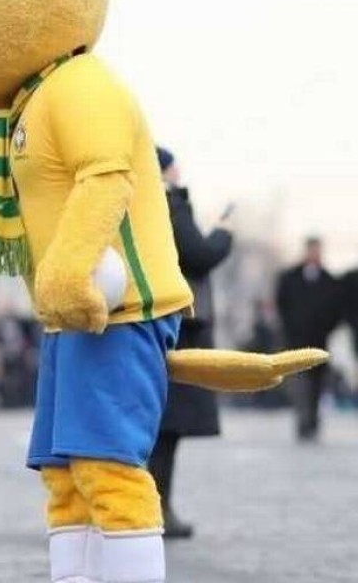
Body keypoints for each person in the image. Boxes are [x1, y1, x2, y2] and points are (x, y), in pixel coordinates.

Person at [148, 147, 234, 539]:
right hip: (182, 324)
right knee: (169, 425)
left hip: (155, 319)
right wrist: (224, 229)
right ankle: (157, 509)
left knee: (155, 423)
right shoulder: (168, 202)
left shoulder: (142, 202)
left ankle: (149, 507)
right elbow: (200, 254)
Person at [275, 237, 342, 442]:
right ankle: (303, 421)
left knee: (316, 385)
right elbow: (281, 305)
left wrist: (325, 328)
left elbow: (337, 310)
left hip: (320, 342)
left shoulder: (330, 280)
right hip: (295, 341)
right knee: (299, 384)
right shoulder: (289, 278)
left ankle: (312, 420)